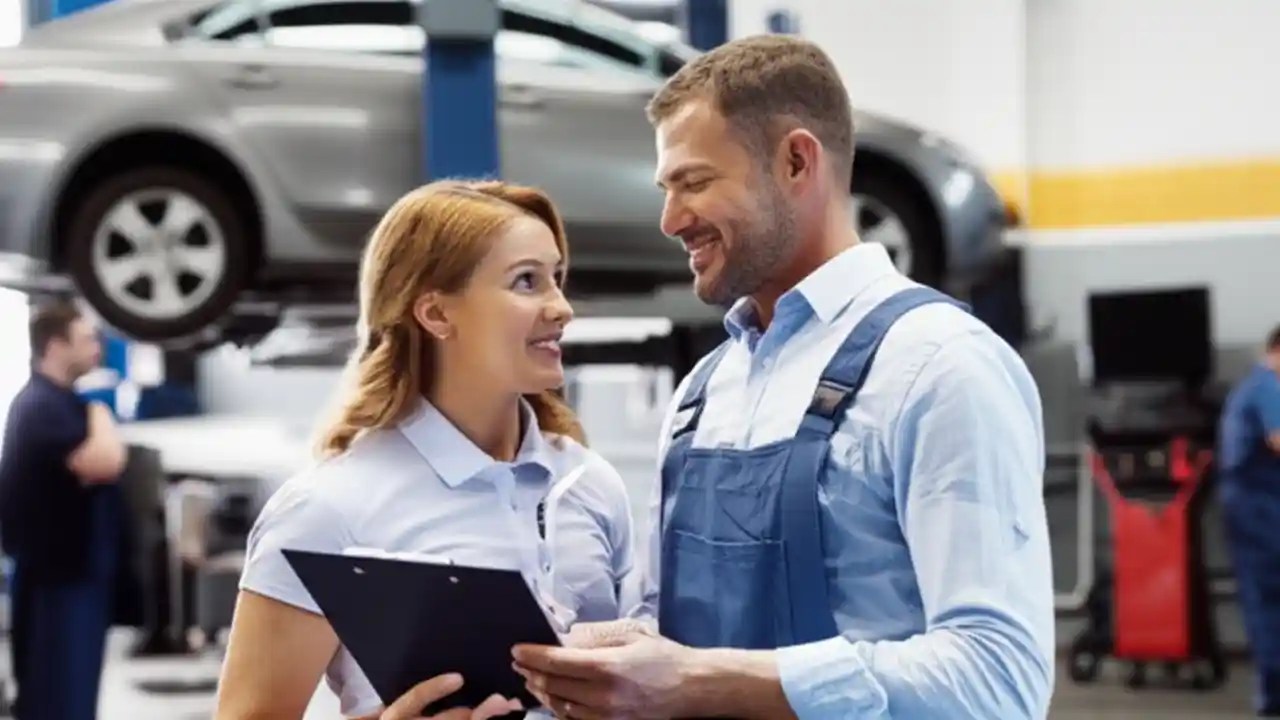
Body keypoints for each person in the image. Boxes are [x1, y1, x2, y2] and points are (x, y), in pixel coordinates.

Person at [511, 34, 1056, 719]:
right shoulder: (703, 393)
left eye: (695, 182)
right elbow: (670, 634)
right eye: (667, 189)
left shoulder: (941, 368)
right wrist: (601, 660)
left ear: (797, 161)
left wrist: (699, 682)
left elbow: (997, 681)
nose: (671, 220)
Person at [213, 180, 638, 720]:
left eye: (556, 279)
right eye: (526, 281)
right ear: (436, 314)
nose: (561, 308)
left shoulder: (590, 484)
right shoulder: (326, 509)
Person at [0, 300, 127, 720]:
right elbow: (106, 461)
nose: (97, 347)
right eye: (87, 339)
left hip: (68, 580)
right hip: (59, 585)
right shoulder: (44, 406)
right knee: (60, 704)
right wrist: (101, 412)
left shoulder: (57, 402)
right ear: (56, 346)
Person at [1217, 324, 1280, 717]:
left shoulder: (1254, 388)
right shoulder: (1268, 387)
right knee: (1267, 602)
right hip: (1258, 511)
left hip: (1257, 508)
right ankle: (1272, 696)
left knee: (1266, 601)